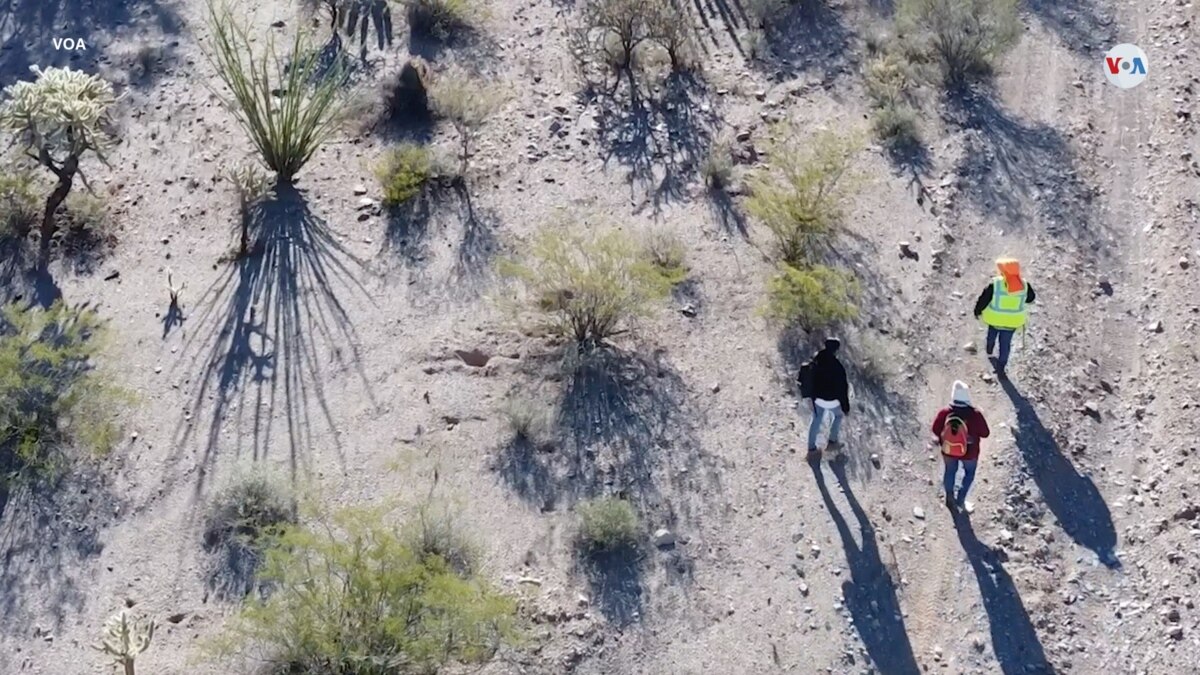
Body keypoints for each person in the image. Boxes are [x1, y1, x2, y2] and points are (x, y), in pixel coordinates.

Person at [931, 381, 991, 512]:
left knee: (950, 471)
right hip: (970, 453)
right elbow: (985, 433)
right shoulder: (975, 415)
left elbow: (935, 430)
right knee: (969, 474)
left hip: (948, 450)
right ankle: (961, 500)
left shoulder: (945, 412)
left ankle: (949, 497)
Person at [973, 257, 1036, 377]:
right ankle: (1001, 368)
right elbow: (1030, 298)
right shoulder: (1024, 285)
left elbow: (983, 300)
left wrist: (977, 311)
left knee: (991, 334)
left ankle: (989, 349)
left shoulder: (995, 284)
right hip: (1012, 322)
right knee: (1005, 344)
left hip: (995, 319)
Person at [801, 337, 850, 456]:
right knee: (838, 416)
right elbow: (842, 389)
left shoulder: (816, 360)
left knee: (816, 420)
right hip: (832, 400)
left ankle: (811, 449)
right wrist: (845, 407)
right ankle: (832, 442)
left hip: (817, 399)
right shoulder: (838, 367)